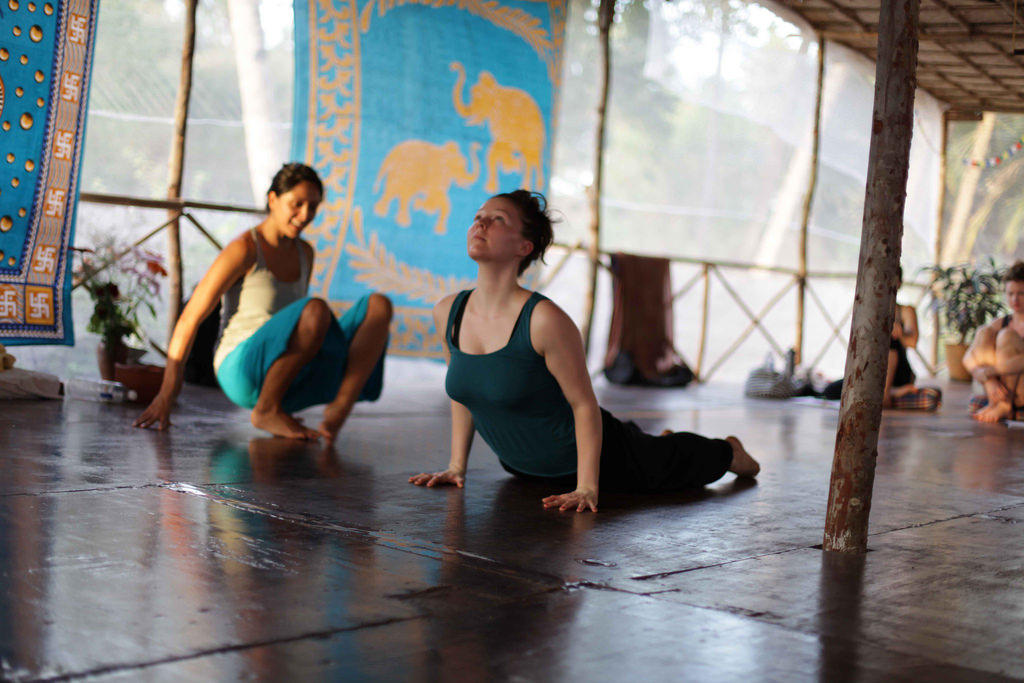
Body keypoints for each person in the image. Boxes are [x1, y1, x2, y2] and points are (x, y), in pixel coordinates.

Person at [408, 190, 759, 513]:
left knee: (666, 469)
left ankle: (728, 450)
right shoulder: (448, 312)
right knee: (651, 451)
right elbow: (465, 393)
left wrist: (587, 487)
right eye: (478, 216)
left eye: (497, 219)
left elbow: (583, 404)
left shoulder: (544, 320)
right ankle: (653, 443)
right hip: (522, 466)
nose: (480, 223)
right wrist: (456, 467)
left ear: (524, 247)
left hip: (599, 460)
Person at [134, 163, 392, 441]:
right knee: (315, 310)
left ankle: (335, 413)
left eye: (313, 207)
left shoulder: (305, 252)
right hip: (241, 369)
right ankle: (266, 409)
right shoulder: (244, 248)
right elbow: (190, 318)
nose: (305, 215)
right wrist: (167, 393)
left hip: (285, 376)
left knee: (379, 306)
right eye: (297, 204)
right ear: (273, 199)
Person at [821, 266, 941, 411]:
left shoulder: (905, 310)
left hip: (897, 373)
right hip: (872, 370)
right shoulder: (869, 311)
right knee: (829, 391)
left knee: (889, 340)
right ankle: (893, 393)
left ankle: (885, 394)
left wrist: (899, 332)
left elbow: (913, 342)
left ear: (899, 283)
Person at [964, 261, 1024, 423]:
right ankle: (996, 402)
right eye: (1010, 293)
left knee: (1006, 336)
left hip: (1021, 390)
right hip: (1001, 390)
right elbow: (968, 357)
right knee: (983, 332)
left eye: (1021, 293)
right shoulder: (1002, 322)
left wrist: (990, 371)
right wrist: (988, 380)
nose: (1015, 299)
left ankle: (1004, 405)